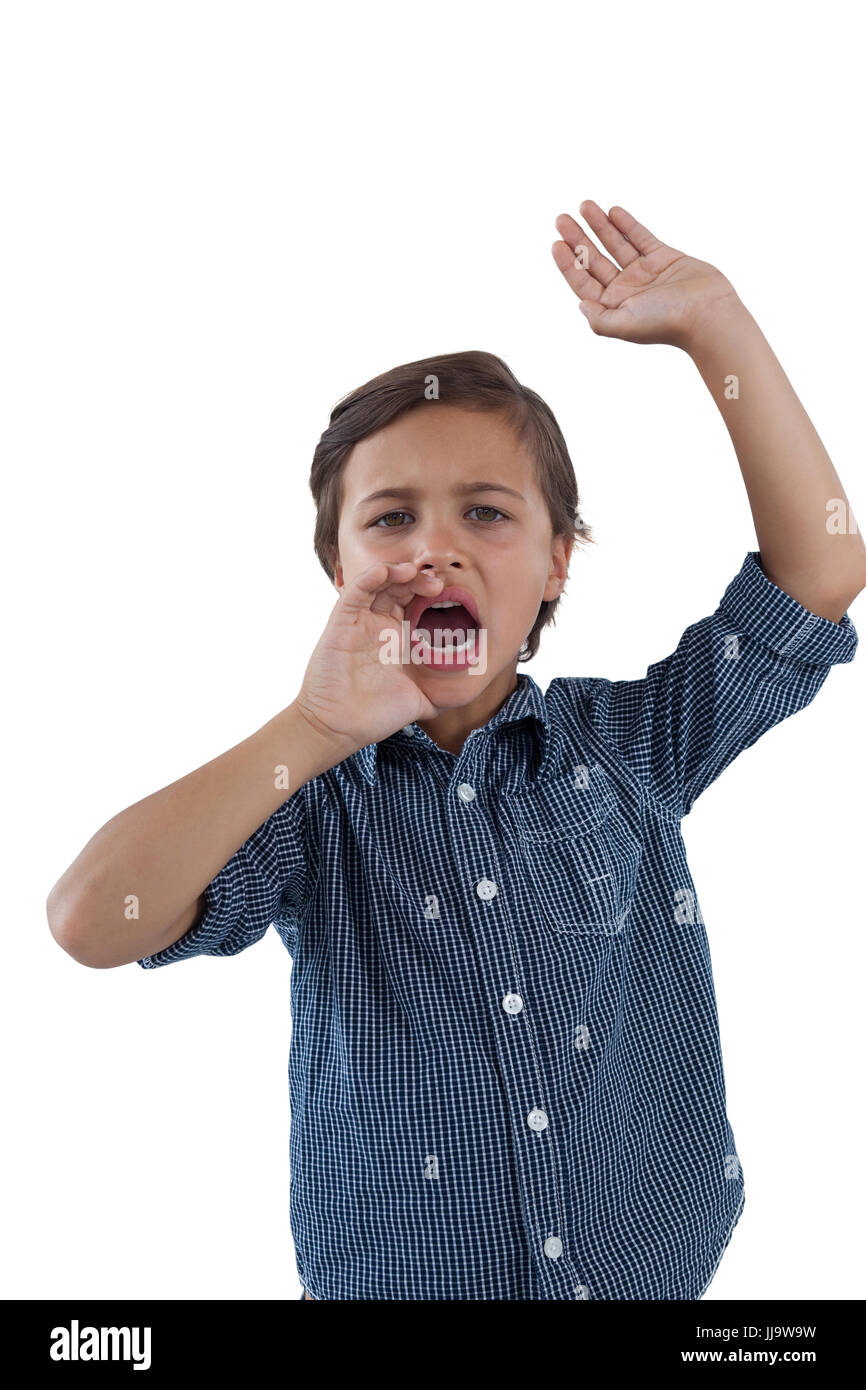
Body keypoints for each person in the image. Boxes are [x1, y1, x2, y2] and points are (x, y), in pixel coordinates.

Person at [47, 202, 866, 1301]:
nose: (434, 547)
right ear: (334, 569)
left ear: (556, 564)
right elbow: (95, 921)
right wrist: (312, 730)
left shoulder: (626, 745)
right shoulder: (306, 796)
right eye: (389, 519)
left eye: (484, 513)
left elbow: (818, 575)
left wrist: (712, 328)